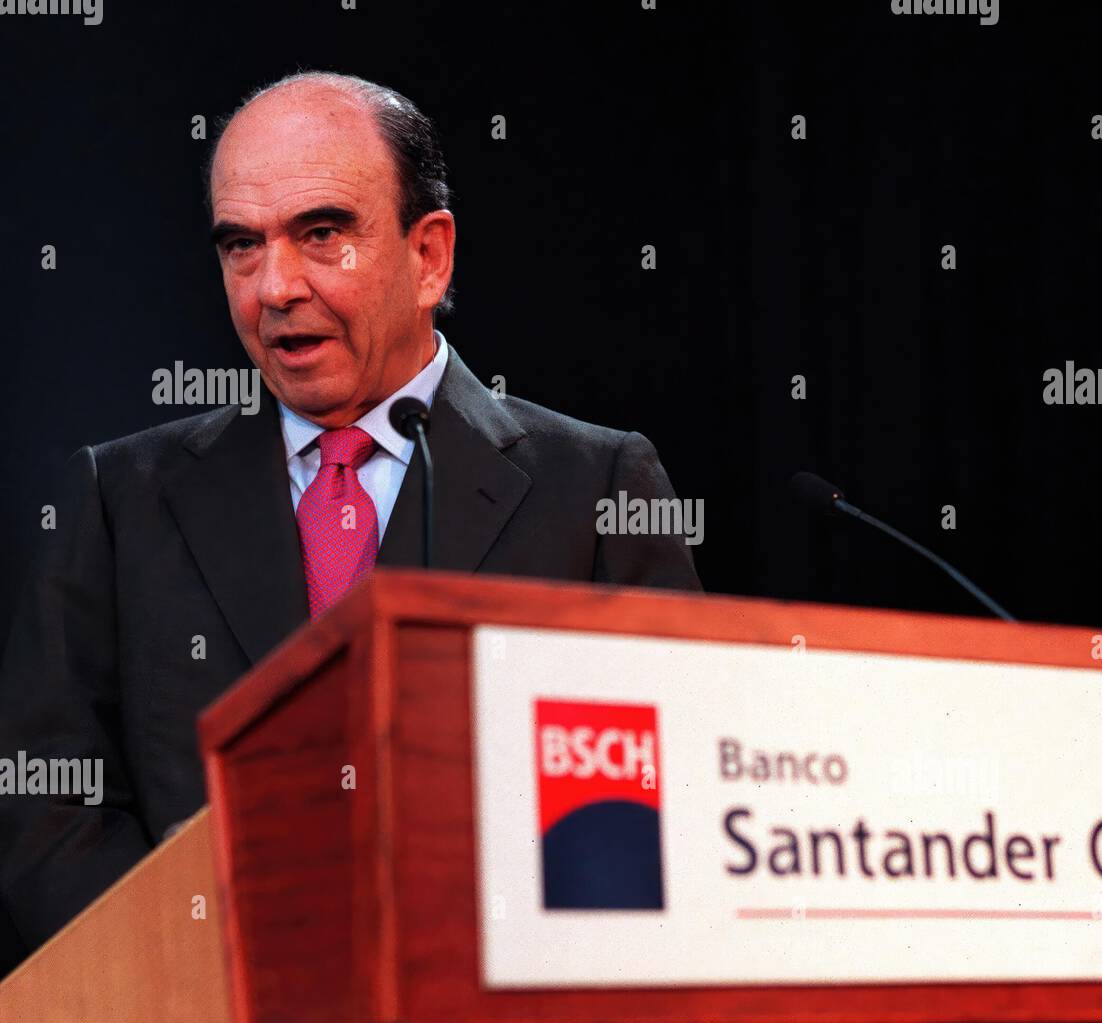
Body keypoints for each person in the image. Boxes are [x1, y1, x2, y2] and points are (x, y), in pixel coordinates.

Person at [0, 71, 700, 955]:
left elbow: (653, 804)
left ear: (429, 256)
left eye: (321, 233)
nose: (273, 288)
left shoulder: (595, 488)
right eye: (241, 246)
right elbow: (45, 806)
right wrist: (203, 972)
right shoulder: (117, 495)